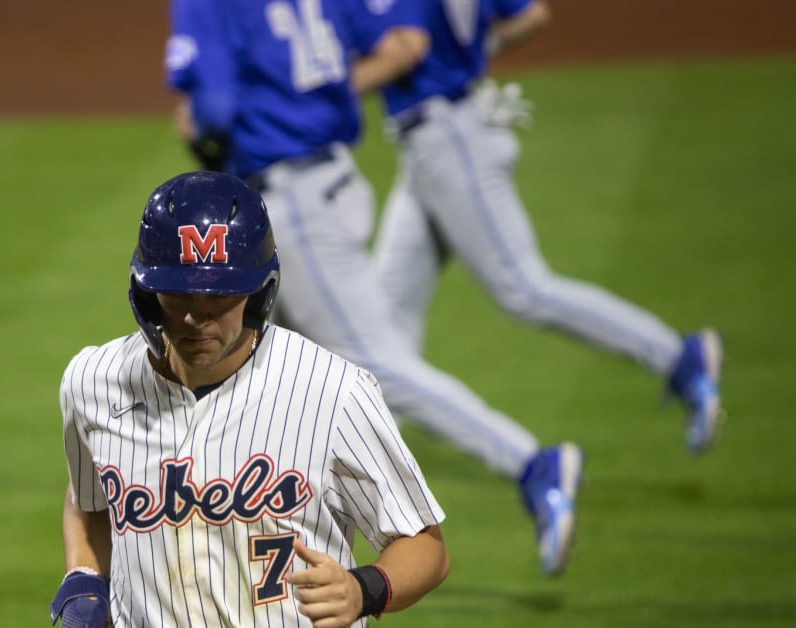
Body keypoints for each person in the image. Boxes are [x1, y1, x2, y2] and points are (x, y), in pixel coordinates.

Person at [165, 0, 585, 576]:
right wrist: (316, 98)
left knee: (371, 366)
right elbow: (403, 43)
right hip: (330, 178)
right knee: (258, 381)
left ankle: (533, 465)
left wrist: (201, 125)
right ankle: (241, 552)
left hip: (292, 200)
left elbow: (212, 110)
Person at [370, 0, 724, 561]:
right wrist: (469, 54)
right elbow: (531, 14)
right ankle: (365, 487)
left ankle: (677, 358)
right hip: (442, 134)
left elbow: (405, 47)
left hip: (448, 138)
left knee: (523, 288)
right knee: (382, 329)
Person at [50, 171, 449, 627]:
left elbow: (426, 546)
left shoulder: (333, 392)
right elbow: (90, 497)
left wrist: (363, 589)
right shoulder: (93, 383)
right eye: (179, 292)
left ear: (258, 293)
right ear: (147, 291)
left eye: (219, 296)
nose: (196, 316)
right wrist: (83, 577)